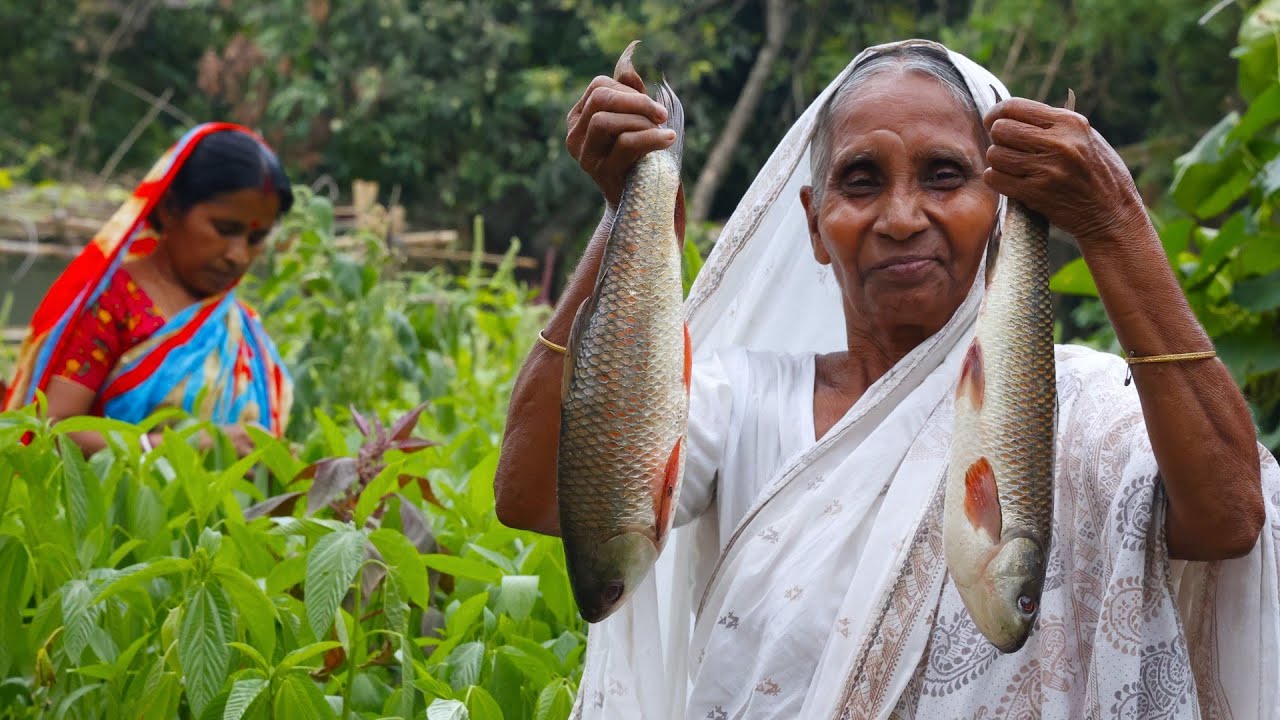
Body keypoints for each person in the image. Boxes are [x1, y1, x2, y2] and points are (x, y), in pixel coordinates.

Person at [494, 38, 1280, 718]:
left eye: (944, 175)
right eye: (862, 180)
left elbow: (1228, 518)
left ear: (1001, 208)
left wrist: (1116, 225)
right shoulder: (738, 404)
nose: (901, 216)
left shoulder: (1075, 406)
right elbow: (532, 496)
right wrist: (628, 211)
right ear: (812, 223)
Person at [3, 123, 294, 457]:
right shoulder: (113, 303)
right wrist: (177, 448)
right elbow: (48, 432)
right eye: (225, 229)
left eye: (256, 239)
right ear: (169, 208)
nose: (238, 255)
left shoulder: (238, 324)